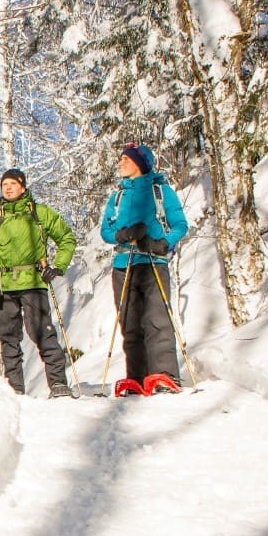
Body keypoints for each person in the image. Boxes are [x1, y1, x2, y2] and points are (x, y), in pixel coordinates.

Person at [98, 142, 189, 396]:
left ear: (140, 162)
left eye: (125, 159)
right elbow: (105, 231)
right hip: (123, 265)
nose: (120, 163)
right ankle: (137, 379)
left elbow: (180, 224)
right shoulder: (117, 196)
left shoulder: (161, 191)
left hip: (152, 262)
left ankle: (165, 375)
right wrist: (122, 234)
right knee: (129, 323)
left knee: (157, 319)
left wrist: (162, 244)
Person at [0, 167, 77, 398]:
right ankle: (15, 391)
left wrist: (58, 267)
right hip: (5, 287)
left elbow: (66, 238)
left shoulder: (39, 213)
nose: (9, 188)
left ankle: (58, 384)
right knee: (8, 340)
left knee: (43, 333)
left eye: (13, 184)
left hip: (34, 282)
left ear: (23, 187)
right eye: (5, 185)